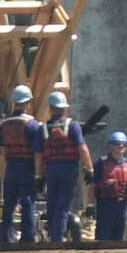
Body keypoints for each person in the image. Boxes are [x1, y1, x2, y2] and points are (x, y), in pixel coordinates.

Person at [41, 91, 93, 242]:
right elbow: (82, 148)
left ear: (50, 108)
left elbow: (39, 154)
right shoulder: (73, 126)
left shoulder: (44, 128)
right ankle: (58, 237)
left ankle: (52, 233)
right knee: (63, 204)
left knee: (52, 202)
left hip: (51, 169)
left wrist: (38, 176)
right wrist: (89, 169)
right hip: (68, 168)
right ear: (64, 108)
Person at [0, 84, 44, 243]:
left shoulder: (4, 125)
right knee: (28, 201)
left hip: (11, 166)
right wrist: (39, 175)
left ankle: (6, 237)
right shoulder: (32, 125)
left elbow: (2, 152)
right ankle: (28, 237)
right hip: (27, 165)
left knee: (9, 203)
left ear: (14, 102)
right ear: (28, 102)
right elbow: (38, 153)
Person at [87, 130, 127, 241]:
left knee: (118, 237)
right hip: (106, 204)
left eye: (123, 144)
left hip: (123, 206)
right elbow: (93, 185)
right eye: (117, 144)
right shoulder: (101, 163)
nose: (120, 146)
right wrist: (90, 205)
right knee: (103, 236)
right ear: (111, 146)